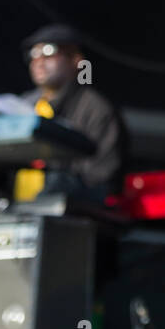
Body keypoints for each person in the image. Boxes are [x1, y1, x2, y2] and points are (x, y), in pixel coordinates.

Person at [12, 23, 126, 203]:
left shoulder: (95, 108)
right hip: (16, 203)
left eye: (49, 53)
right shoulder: (24, 104)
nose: (39, 61)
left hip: (67, 208)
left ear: (76, 60)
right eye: (33, 54)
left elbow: (102, 174)